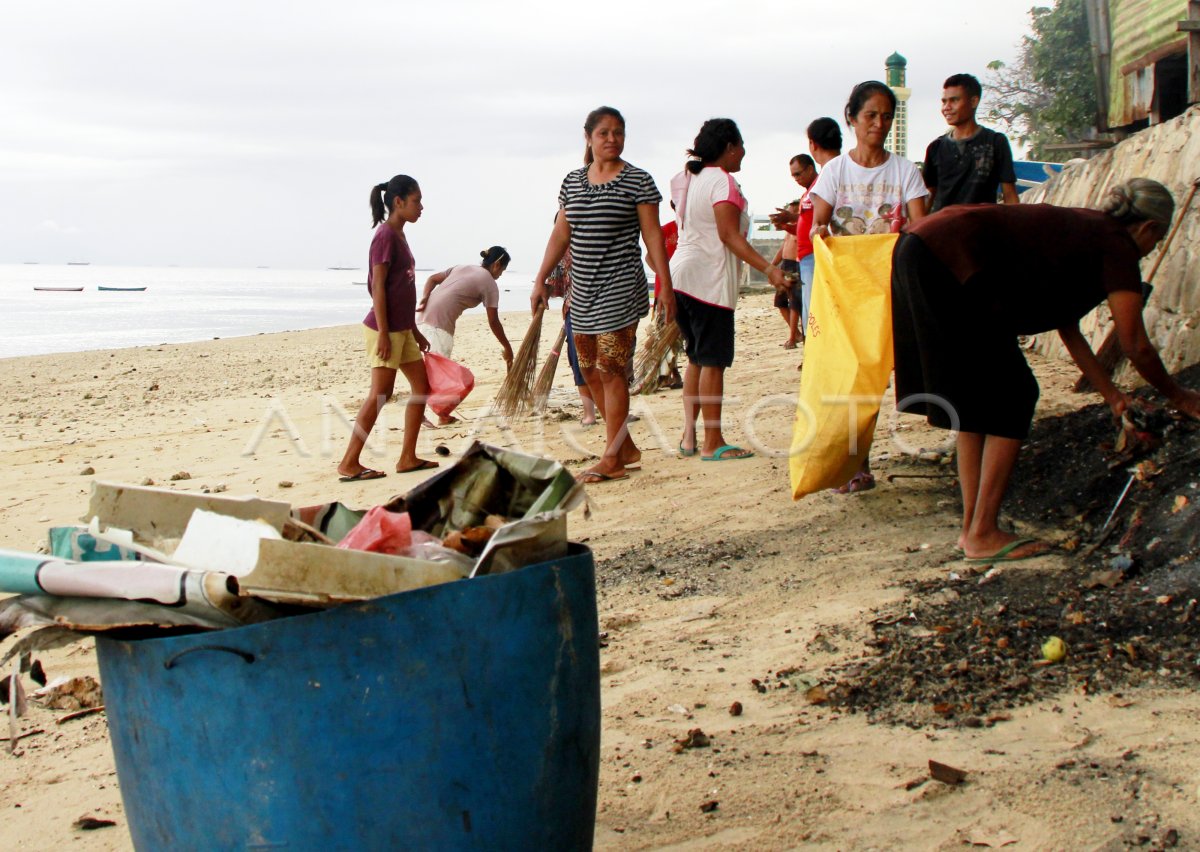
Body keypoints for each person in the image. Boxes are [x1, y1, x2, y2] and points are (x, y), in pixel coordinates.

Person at [892, 178, 1200, 562]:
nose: (1152, 249)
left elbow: (1065, 322)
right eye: (1157, 240)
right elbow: (1135, 344)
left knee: (978, 401)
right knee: (1015, 395)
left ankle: (973, 528)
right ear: (1151, 228)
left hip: (920, 246)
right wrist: (1180, 396)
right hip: (949, 258)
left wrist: (1113, 397)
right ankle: (982, 532)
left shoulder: (1087, 230)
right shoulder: (1117, 246)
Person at [531, 106, 675, 484]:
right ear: (589, 137)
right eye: (604, 133)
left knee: (611, 371)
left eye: (619, 132)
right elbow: (561, 234)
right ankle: (624, 445)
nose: (612, 139)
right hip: (582, 292)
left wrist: (666, 285)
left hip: (621, 288)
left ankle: (612, 459)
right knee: (591, 372)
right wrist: (540, 279)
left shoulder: (638, 181)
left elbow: (653, 236)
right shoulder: (572, 182)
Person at [809, 81, 929, 493]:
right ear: (852, 119)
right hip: (845, 292)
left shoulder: (905, 171)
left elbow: (920, 224)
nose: (878, 124)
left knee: (872, 376)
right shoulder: (835, 170)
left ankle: (857, 460)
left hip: (889, 289)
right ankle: (849, 461)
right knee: (847, 374)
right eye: (870, 116)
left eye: (885, 116)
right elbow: (818, 224)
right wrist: (823, 237)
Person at [669, 118, 788, 461]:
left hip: (681, 275)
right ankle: (713, 441)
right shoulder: (723, 181)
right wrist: (768, 268)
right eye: (741, 145)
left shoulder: (689, 178)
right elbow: (728, 235)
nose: (744, 152)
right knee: (714, 362)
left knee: (696, 357)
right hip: (708, 279)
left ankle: (689, 437)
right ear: (729, 147)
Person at [337, 175, 438, 482]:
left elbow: (402, 287)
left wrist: (414, 331)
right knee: (380, 394)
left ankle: (408, 457)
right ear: (399, 202)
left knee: (421, 388)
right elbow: (377, 287)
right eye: (417, 200)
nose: (421, 207)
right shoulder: (384, 236)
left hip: (402, 329)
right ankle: (349, 462)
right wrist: (383, 332)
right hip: (385, 329)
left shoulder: (400, 234)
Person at [416, 246, 514, 425]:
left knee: (432, 371)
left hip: (421, 319)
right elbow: (493, 321)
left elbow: (432, 279)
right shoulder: (490, 284)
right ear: (497, 264)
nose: (501, 275)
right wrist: (507, 347)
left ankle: (441, 415)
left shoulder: (462, 267)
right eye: (503, 270)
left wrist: (424, 298)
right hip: (439, 326)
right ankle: (427, 415)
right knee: (438, 374)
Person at [922, 73, 1019, 212]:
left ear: (974, 102)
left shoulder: (995, 142)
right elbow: (927, 197)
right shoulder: (935, 148)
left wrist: (1018, 228)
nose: (947, 107)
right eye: (944, 101)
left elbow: (1010, 195)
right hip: (944, 230)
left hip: (983, 229)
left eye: (954, 100)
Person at [770, 199, 802, 348]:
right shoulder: (789, 231)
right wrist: (771, 266)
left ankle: (792, 337)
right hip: (786, 266)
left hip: (796, 266)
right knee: (780, 301)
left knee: (795, 302)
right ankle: (795, 333)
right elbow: (783, 248)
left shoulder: (799, 228)